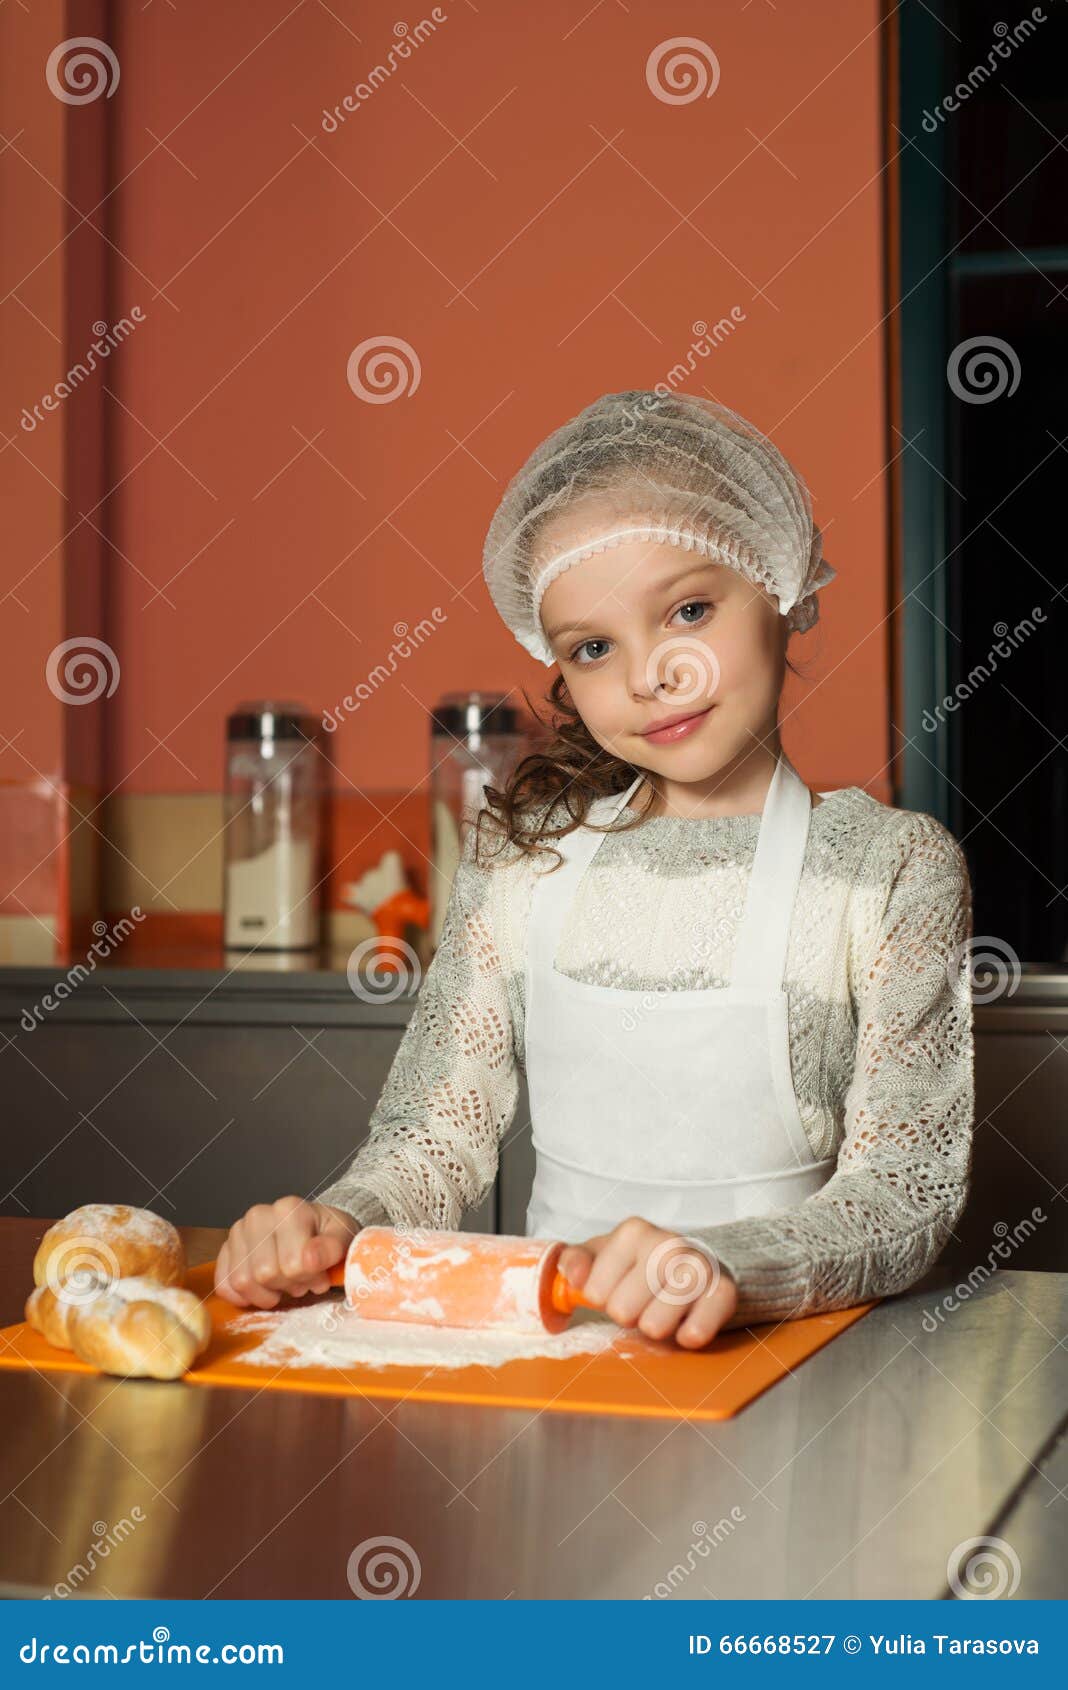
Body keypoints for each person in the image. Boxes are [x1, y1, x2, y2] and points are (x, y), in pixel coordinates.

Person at [214, 389, 975, 1350]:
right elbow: (433, 1138)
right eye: (594, 647)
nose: (649, 675)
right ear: (560, 669)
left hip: (790, 1366)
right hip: (557, 1359)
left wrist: (728, 1267)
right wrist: (339, 1223)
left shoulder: (890, 872)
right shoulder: (519, 859)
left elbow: (904, 1196)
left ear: (782, 588)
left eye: (690, 609)